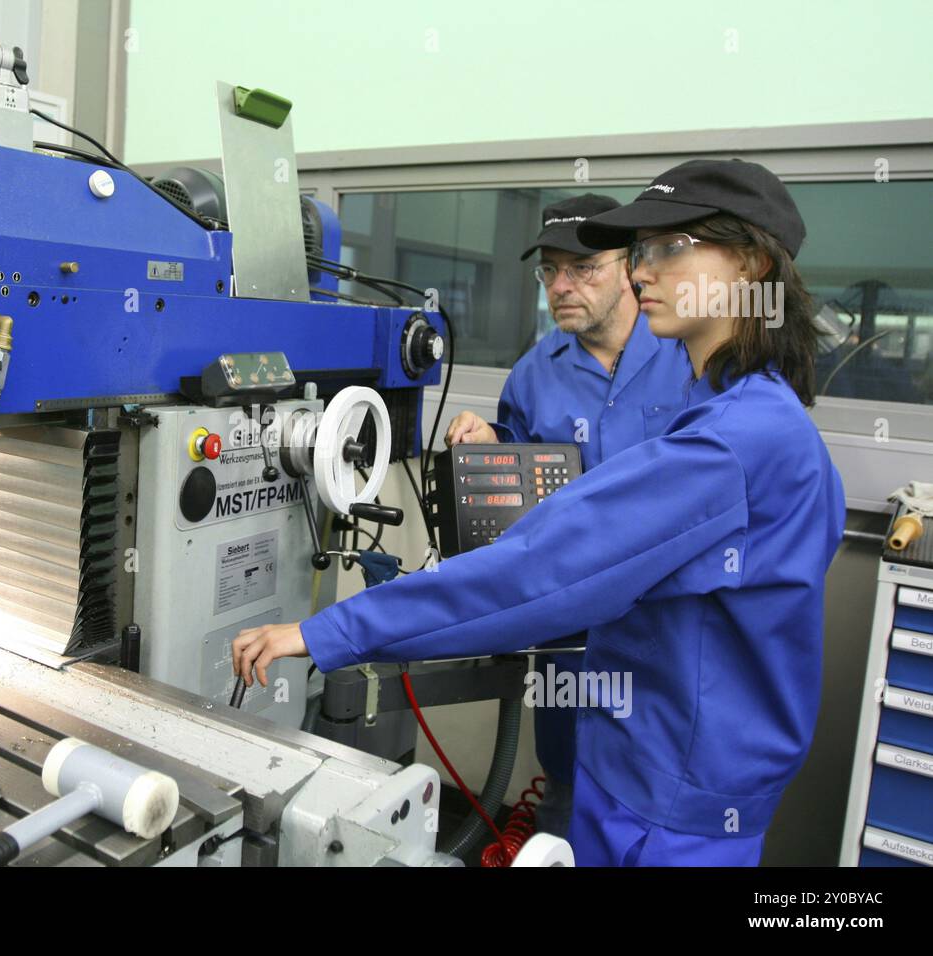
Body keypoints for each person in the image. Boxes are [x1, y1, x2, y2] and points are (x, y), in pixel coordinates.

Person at [232, 158, 846, 866]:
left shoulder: (736, 440)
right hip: (635, 762)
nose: (644, 272)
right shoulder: (748, 413)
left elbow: (546, 568)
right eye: (640, 252)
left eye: (670, 248)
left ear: (750, 264)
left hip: (670, 802)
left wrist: (327, 629)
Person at [446, 193, 693, 837]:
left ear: (632, 266)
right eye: (550, 270)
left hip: (669, 641)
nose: (561, 286)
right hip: (572, 645)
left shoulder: (691, 359)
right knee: (567, 804)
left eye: (582, 269)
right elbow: (522, 488)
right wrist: (489, 446)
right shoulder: (533, 374)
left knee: (662, 811)